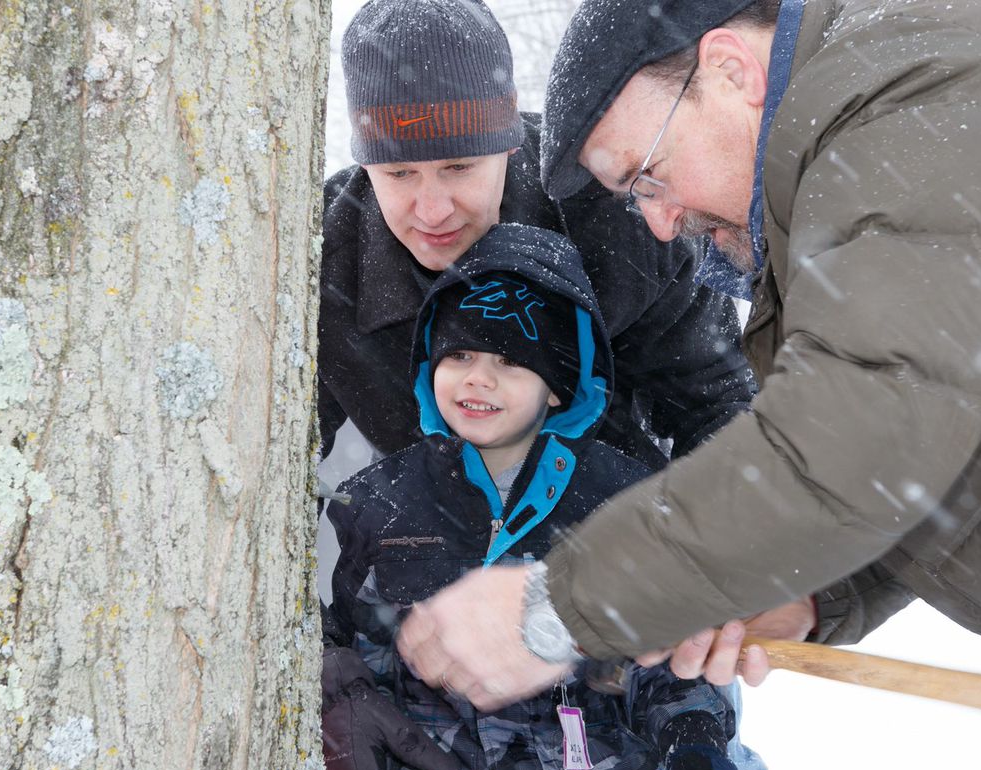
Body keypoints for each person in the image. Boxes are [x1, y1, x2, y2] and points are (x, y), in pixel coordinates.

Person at [395, 0, 981, 770]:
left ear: (731, 70)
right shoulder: (873, 151)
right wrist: (810, 588)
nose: (659, 222)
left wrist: (562, 608)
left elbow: (863, 431)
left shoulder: (920, 82)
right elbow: (970, 422)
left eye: (647, 175)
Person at [321, 223, 787, 770]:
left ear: (560, 384)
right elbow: (351, 656)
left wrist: (696, 744)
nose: (477, 379)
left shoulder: (624, 498)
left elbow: (664, 654)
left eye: (510, 361)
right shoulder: (380, 503)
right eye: (458, 356)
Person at [319, 0, 757, 474]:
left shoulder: (621, 206)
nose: (433, 210)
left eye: (459, 167)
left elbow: (718, 408)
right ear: (366, 164)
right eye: (399, 172)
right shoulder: (319, 258)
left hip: (614, 522)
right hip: (425, 535)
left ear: (508, 143)